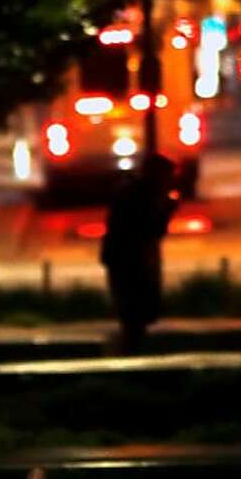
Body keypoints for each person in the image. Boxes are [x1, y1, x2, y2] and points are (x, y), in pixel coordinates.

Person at [100, 150, 176, 351]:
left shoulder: (132, 193)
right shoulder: (142, 198)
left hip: (125, 261)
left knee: (132, 316)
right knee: (135, 314)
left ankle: (130, 348)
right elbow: (149, 230)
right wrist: (166, 211)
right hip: (132, 263)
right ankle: (131, 350)